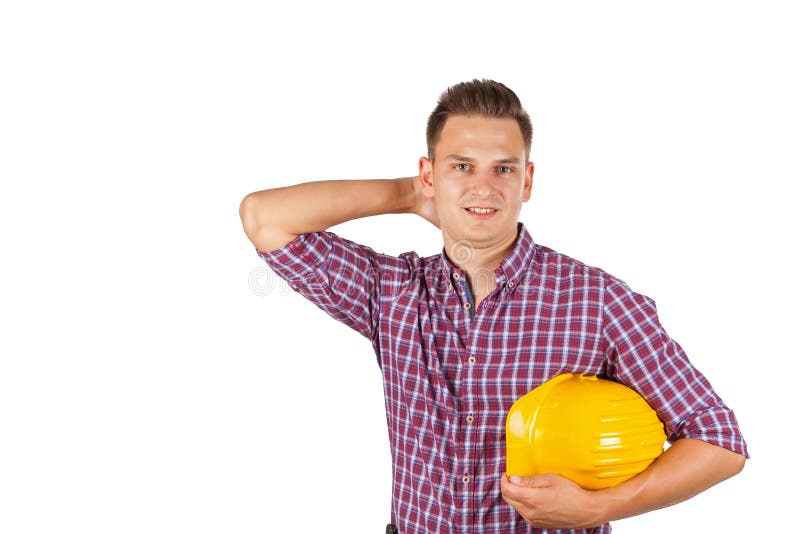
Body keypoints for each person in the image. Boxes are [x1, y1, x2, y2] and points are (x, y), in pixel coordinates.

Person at [238, 79, 748, 533]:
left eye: (503, 169)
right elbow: (265, 218)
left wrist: (599, 508)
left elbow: (718, 441)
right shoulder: (392, 291)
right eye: (462, 166)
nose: (483, 187)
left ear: (527, 181)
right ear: (429, 175)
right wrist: (408, 196)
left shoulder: (598, 301)